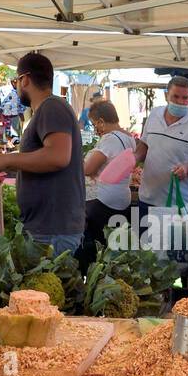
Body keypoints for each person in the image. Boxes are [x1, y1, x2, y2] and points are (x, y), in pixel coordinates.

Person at [0, 51, 85, 254]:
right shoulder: (48, 109)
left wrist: (9, 160)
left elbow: (57, 156)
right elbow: (43, 156)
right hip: (47, 228)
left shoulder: (51, 107)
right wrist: (7, 160)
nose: (16, 87)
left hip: (52, 230)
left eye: (15, 82)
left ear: (25, 79)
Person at [134, 74, 188, 234]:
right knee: (144, 253)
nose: (180, 102)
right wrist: (131, 160)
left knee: (173, 256)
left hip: (179, 205)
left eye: (185, 98)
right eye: (175, 97)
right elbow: (143, 147)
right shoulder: (154, 115)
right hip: (147, 199)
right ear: (166, 96)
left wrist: (187, 168)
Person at [78, 100, 136, 269]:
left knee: (96, 251)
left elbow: (88, 169)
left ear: (102, 121)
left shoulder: (110, 139)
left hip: (101, 202)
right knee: (112, 250)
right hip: (121, 200)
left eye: (95, 124)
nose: (96, 128)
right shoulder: (129, 138)